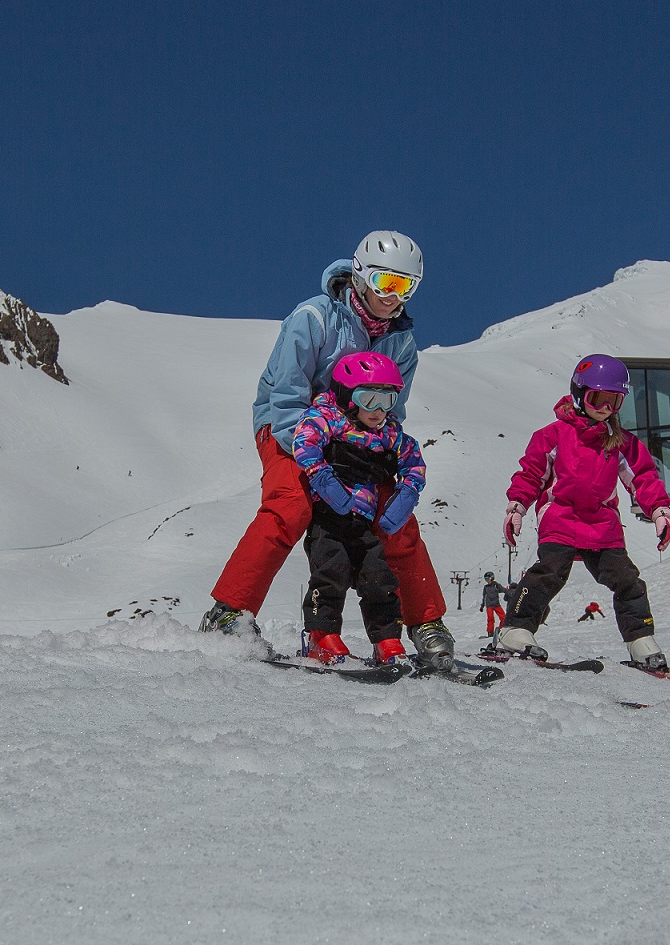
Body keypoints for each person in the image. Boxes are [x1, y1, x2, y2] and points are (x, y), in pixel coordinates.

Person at [200, 232, 457, 670]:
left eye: (404, 287)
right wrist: (319, 461)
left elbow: (392, 411)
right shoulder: (314, 319)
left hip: (357, 440)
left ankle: (426, 624)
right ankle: (228, 611)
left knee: (391, 514)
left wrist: (380, 458)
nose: (391, 297)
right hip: (290, 430)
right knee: (292, 504)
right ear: (359, 275)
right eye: (384, 282)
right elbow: (286, 398)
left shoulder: (402, 344)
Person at [495, 355, 670, 668]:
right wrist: (518, 507)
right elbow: (531, 474)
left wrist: (659, 511)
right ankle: (514, 629)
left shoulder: (620, 443)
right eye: (598, 398)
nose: (605, 407)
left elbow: (643, 477)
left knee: (627, 580)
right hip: (561, 518)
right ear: (580, 394)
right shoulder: (552, 435)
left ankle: (640, 641)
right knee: (550, 573)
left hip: (602, 525)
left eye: (614, 401)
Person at [285, 351, 427, 665]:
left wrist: (405, 496)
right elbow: (304, 441)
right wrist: (321, 475)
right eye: (368, 399)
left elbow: (414, 462)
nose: (378, 411)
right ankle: (321, 636)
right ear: (348, 397)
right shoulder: (329, 417)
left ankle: (387, 641)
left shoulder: (390, 434)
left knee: (380, 579)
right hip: (328, 519)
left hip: (362, 523)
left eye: (386, 401)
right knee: (330, 573)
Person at [481, 573, 507, 638]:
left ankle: (501, 630)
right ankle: (490, 632)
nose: (487, 581)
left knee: (503, 617)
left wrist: (510, 591)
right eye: (485, 579)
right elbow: (484, 596)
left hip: (496, 604)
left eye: (487, 579)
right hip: (489, 605)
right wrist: (482, 605)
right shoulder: (486, 587)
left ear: (492, 578)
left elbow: (504, 590)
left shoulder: (496, 585)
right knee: (490, 619)